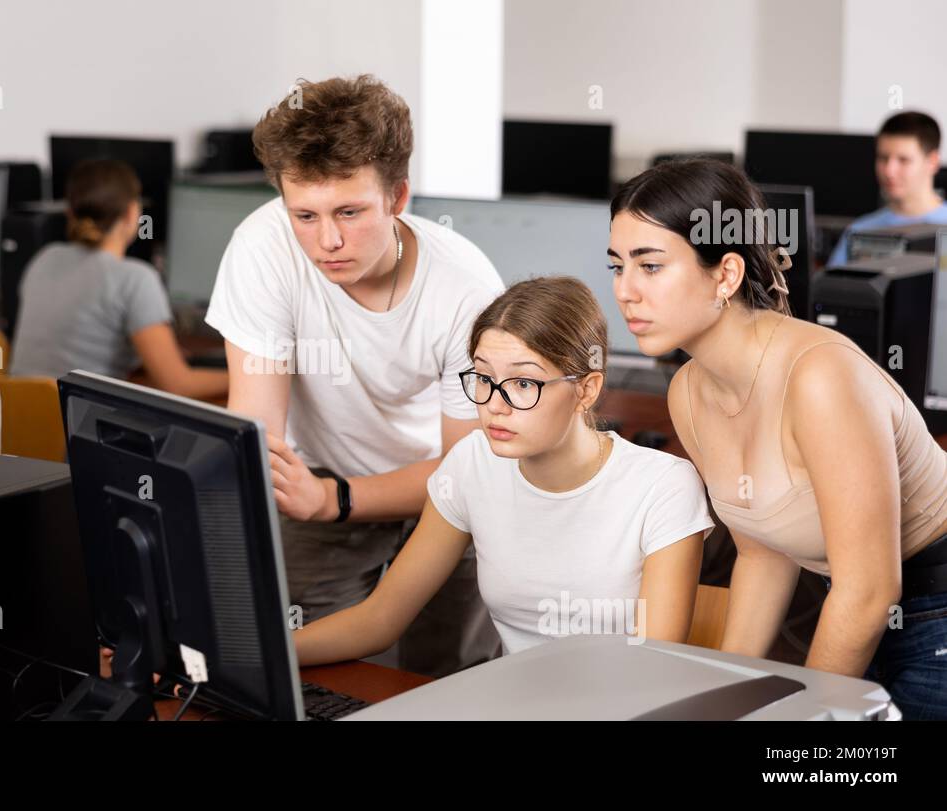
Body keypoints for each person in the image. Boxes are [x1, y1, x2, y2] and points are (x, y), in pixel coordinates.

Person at [610, 158, 947, 719]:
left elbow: (868, 592)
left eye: (650, 266)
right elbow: (763, 549)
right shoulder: (688, 392)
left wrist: (800, 722)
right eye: (617, 266)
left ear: (726, 275)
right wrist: (726, 695)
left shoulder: (819, 377)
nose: (624, 292)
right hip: (864, 611)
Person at [205, 75, 507, 677]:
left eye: (350, 211)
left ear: (397, 198)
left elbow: (468, 470)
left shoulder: (467, 289)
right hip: (315, 480)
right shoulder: (262, 248)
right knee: (304, 669)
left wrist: (336, 500)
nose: (328, 241)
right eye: (305, 215)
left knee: (447, 678)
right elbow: (258, 438)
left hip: (445, 489)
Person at [295, 277, 710, 665]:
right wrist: (252, 660)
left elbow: (655, 671)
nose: (494, 404)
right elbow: (378, 621)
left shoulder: (663, 487)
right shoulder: (471, 464)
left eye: (524, 383)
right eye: (483, 377)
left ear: (587, 389)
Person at [10, 159, 227, 400]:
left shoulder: (45, 258)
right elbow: (179, 386)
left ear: (69, 212)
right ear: (133, 212)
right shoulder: (135, 278)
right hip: (76, 429)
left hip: (23, 425)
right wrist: (255, 378)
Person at [828, 111, 947, 266]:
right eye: (883, 158)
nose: (889, 171)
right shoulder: (860, 229)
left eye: (903, 160)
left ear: (932, 162)